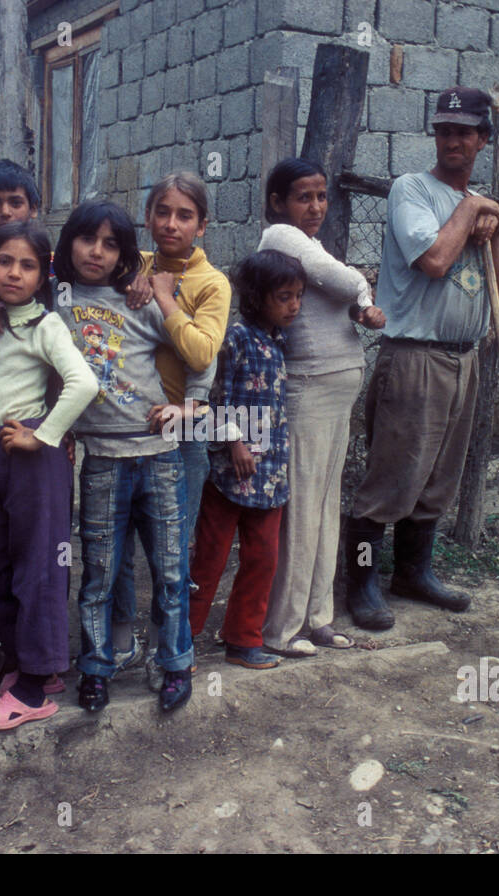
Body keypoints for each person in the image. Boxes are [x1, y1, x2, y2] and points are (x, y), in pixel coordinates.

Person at [346, 86, 499, 629]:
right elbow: (436, 260)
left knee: (438, 479)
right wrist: (473, 208)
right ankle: (363, 581)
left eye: (464, 131)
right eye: (444, 130)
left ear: (483, 140)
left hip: (465, 358)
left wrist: (498, 230)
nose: (453, 140)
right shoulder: (411, 190)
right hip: (415, 356)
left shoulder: (482, 208)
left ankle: (413, 574)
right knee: (391, 481)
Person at [0, 221, 98, 731]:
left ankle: (36, 687)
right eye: (3, 262)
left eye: (28, 265)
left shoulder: (45, 325)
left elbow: (84, 382)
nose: (14, 273)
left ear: (44, 274)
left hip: (30, 450)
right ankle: (28, 667)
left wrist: (45, 434)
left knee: (39, 568)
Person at [55, 199, 196, 713]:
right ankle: (96, 668)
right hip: (102, 461)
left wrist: (191, 404)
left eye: (112, 243)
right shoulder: (58, 297)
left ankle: (175, 662)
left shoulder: (140, 299)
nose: (97, 251)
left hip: (159, 456)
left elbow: (195, 349)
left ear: (125, 254)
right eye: (87, 239)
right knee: (98, 574)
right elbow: (4, 277)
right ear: (68, 241)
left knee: (171, 569)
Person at [257, 158, 386, 658]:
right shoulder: (281, 240)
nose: (315, 207)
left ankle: (318, 618)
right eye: (303, 197)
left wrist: (359, 300)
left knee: (326, 506)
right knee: (303, 511)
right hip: (307, 389)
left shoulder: (311, 246)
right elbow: (341, 279)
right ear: (278, 203)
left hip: (336, 390)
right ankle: (281, 629)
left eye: (321, 197)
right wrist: (361, 291)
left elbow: (343, 289)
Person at [113, 172, 229, 688]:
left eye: (185, 215)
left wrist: (164, 298)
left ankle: (169, 647)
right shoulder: (131, 267)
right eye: (162, 211)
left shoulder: (212, 283)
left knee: (171, 548)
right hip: (124, 428)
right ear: (147, 218)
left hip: (181, 433)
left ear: (202, 225)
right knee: (116, 543)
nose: (171, 223)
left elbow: (202, 352)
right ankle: (118, 641)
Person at [189, 250, 303, 670]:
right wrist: (234, 441)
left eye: (298, 296)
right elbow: (212, 396)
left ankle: (243, 639)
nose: (294, 306)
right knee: (210, 558)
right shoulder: (234, 339)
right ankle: (182, 641)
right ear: (256, 298)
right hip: (228, 474)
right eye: (284, 297)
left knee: (262, 559)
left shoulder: (280, 341)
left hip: (270, 474)